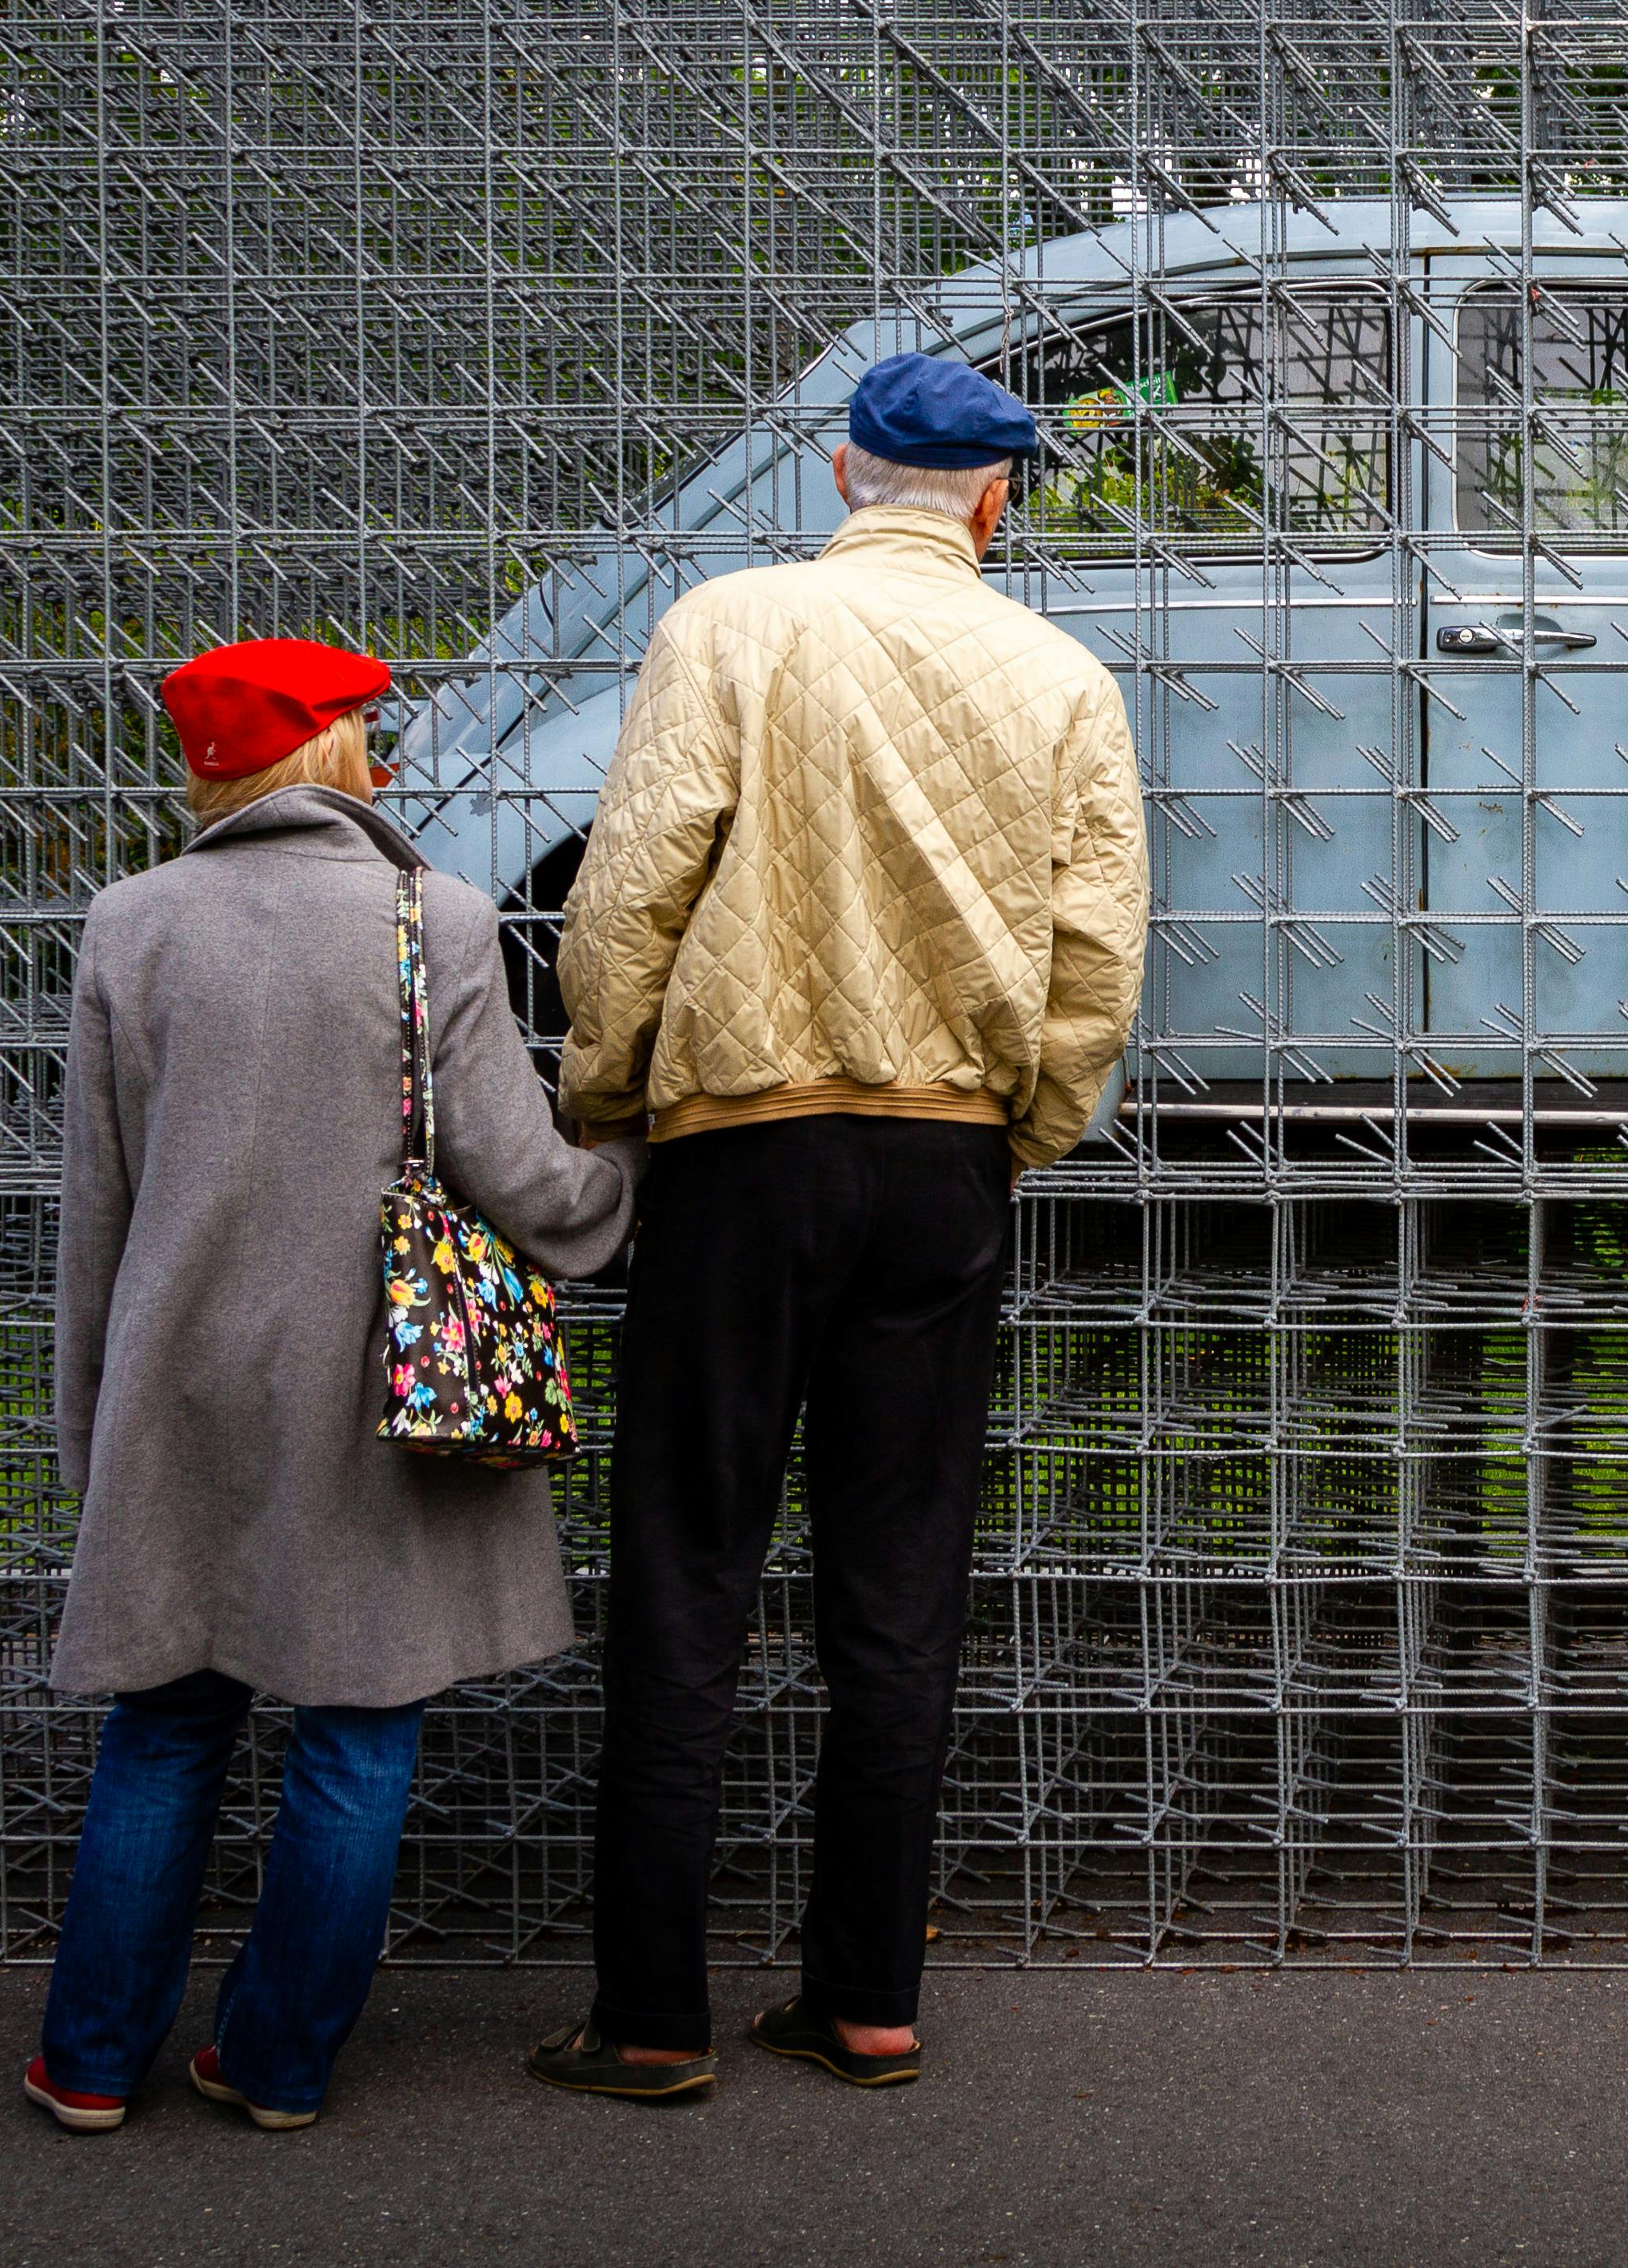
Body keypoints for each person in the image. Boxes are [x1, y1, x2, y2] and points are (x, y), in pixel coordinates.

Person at [524, 354, 1145, 2100]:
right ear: (995, 498)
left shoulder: (728, 626)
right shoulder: (1061, 674)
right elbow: (1094, 951)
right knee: (898, 1581)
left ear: (839, 472)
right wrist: (1021, 1125)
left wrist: (606, 1092)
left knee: (688, 1565)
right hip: (943, 1156)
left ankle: (651, 2014)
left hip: (743, 1147)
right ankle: (865, 1995)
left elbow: (633, 876)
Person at [25, 640, 644, 2135]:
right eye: (369, 728)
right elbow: (508, 1169)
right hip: (373, 1379)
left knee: (166, 1722)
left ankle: (94, 2063)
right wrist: (623, 1185)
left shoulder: (132, 923)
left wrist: (89, 1419)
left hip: (178, 1378)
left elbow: (95, 1201)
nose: (389, 754)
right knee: (360, 1723)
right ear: (324, 748)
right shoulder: (431, 918)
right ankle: (278, 2062)